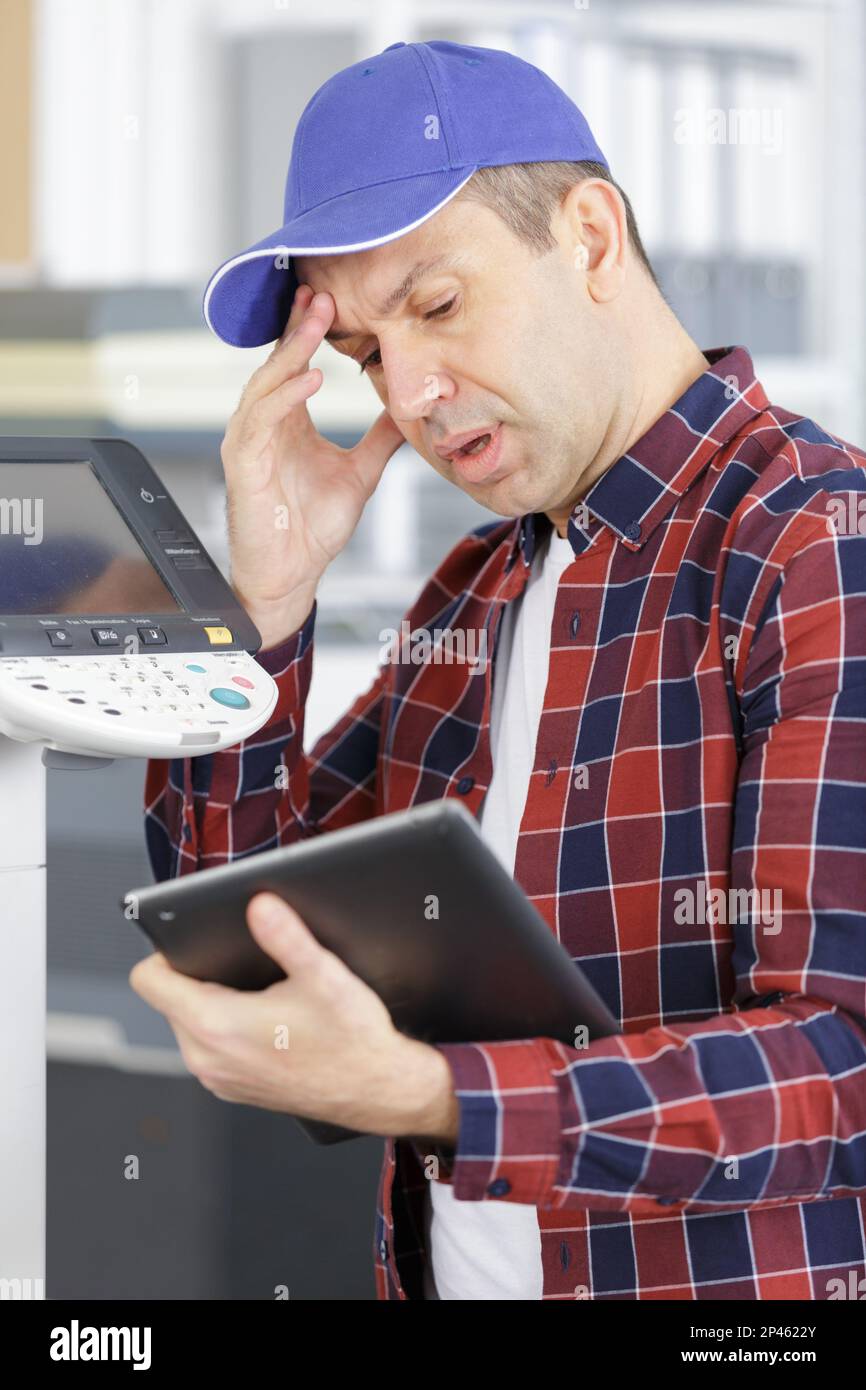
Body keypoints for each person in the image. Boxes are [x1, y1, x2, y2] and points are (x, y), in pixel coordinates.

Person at [131, 39, 866, 1301]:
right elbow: (241, 926)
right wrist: (268, 600)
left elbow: (837, 1067)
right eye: (363, 353)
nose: (409, 392)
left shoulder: (809, 540)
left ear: (586, 237)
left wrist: (435, 1095)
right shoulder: (476, 589)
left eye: (436, 304)